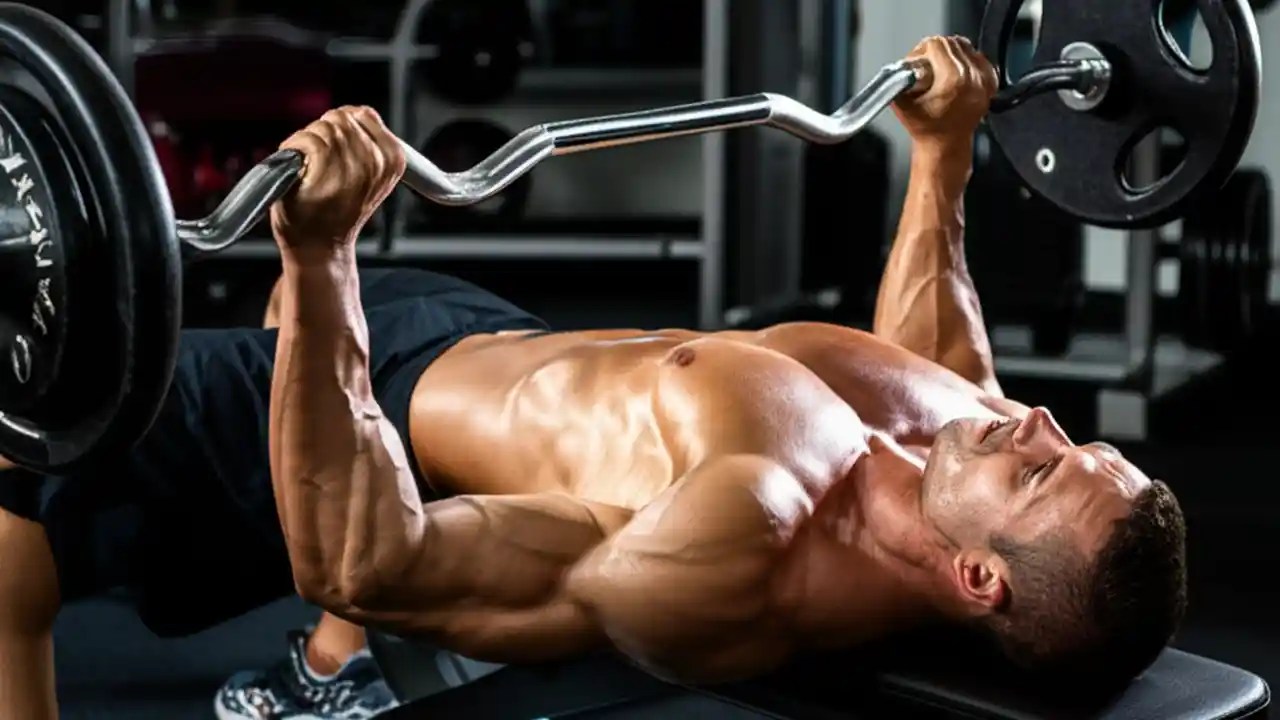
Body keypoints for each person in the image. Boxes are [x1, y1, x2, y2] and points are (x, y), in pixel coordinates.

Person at [0, 36, 1185, 720]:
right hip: (499, 341)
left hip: (402, 423)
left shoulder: (736, 553)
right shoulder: (964, 439)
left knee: (20, 487)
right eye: (1078, 443)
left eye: (1045, 473)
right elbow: (939, 351)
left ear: (978, 578)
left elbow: (370, 559)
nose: (1034, 421)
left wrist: (321, 257)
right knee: (285, 314)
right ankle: (328, 674)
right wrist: (939, 158)